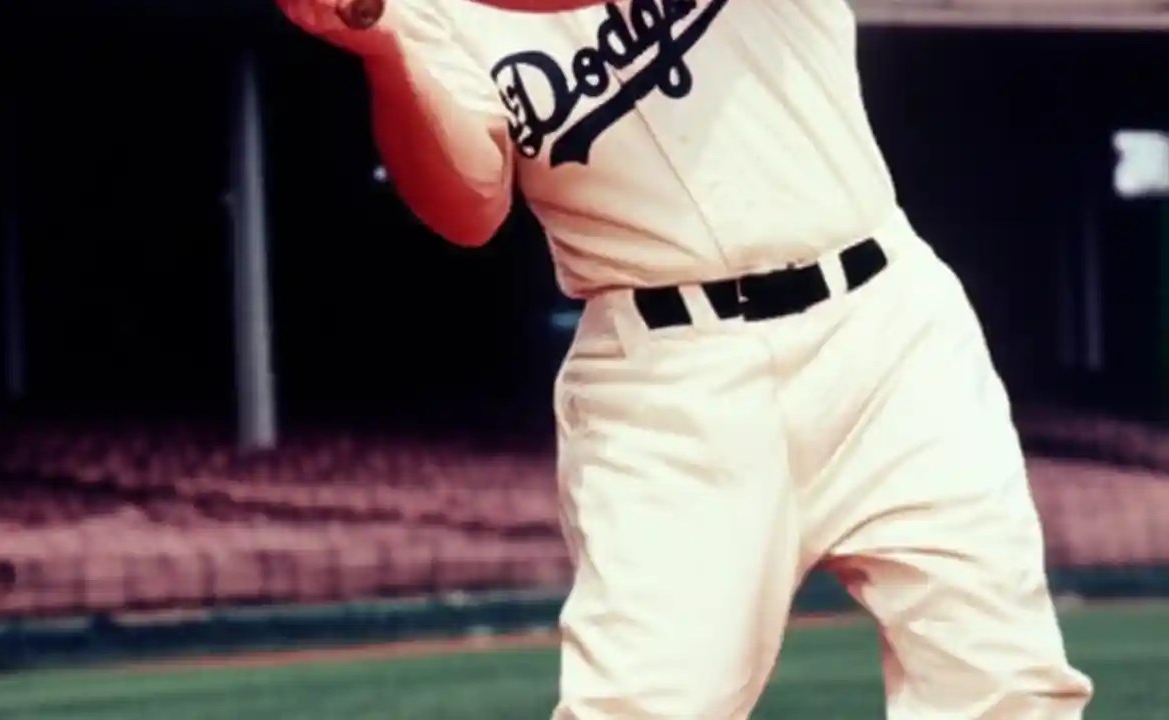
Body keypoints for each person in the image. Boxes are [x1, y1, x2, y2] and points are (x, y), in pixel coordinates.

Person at [278, 0, 1096, 716]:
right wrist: (382, 42)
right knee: (648, 706)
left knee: (1003, 681)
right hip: (666, 381)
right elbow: (468, 210)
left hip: (884, 332)